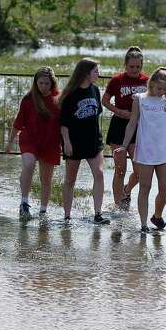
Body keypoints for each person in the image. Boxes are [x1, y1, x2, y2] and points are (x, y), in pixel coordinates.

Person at [116, 67, 166, 232]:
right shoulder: (140, 99)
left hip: (164, 152)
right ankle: (143, 225)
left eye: (165, 89)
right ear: (151, 84)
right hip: (145, 152)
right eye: (159, 88)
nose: (161, 91)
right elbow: (132, 123)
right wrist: (124, 146)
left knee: (164, 188)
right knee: (145, 187)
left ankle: (157, 216)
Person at [59, 57, 110, 224]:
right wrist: (66, 143)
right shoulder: (70, 94)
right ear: (86, 73)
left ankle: (97, 214)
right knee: (70, 180)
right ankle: (67, 216)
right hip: (74, 142)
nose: (98, 74)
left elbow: (97, 114)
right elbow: (64, 123)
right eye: (95, 71)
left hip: (94, 140)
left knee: (100, 174)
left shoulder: (95, 90)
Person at [6, 66, 61, 219]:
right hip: (30, 139)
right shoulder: (28, 99)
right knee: (29, 165)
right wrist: (10, 142)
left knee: (46, 179)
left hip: (50, 142)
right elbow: (18, 123)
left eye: (46, 84)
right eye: (40, 83)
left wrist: (68, 143)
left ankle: (43, 211)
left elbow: (64, 125)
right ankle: (24, 203)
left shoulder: (59, 99)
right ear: (35, 82)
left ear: (52, 84)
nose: (43, 86)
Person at [102, 46, 149, 207]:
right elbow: (105, 101)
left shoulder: (147, 81)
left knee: (139, 172)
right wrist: (118, 111)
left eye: (138, 67)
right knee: (120, 169)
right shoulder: (116, 81)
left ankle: (127, 190)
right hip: (119, 127)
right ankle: (118, 204)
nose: (135, 70)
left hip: (138, 128)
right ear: (125, 64)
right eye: (131, 67)